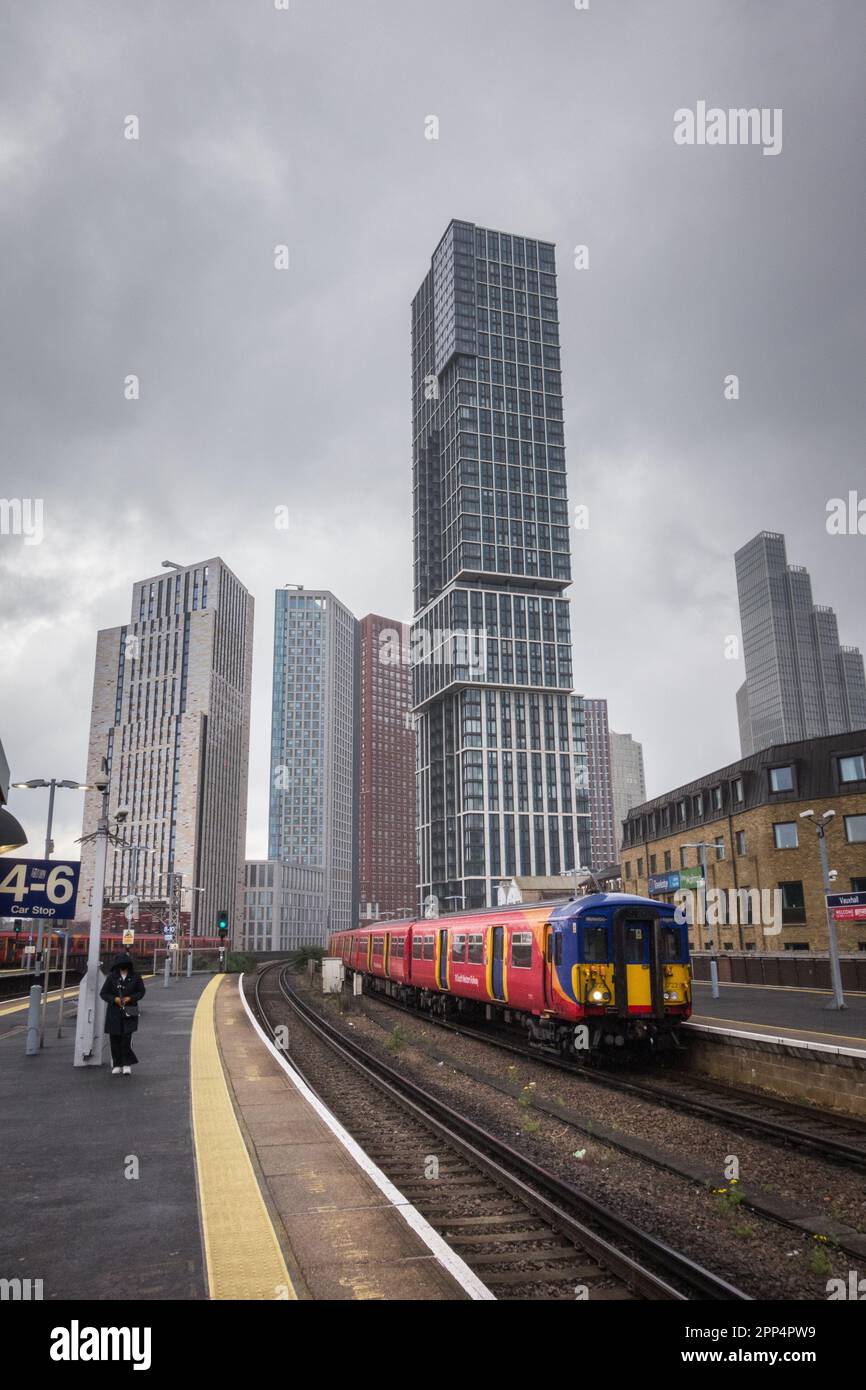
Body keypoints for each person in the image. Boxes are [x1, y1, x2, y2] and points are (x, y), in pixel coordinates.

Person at [100, 952, 146, 1074]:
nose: (122, 967)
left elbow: (141, 992)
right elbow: (103, 993)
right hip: (114, 1011)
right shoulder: (112, 978)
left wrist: (130, 998)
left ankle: (126, 1064)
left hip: (130, 1009)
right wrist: (114, 999)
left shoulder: (136, 976)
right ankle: (117, 1064)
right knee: (114, 1039)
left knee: (126, 1039)